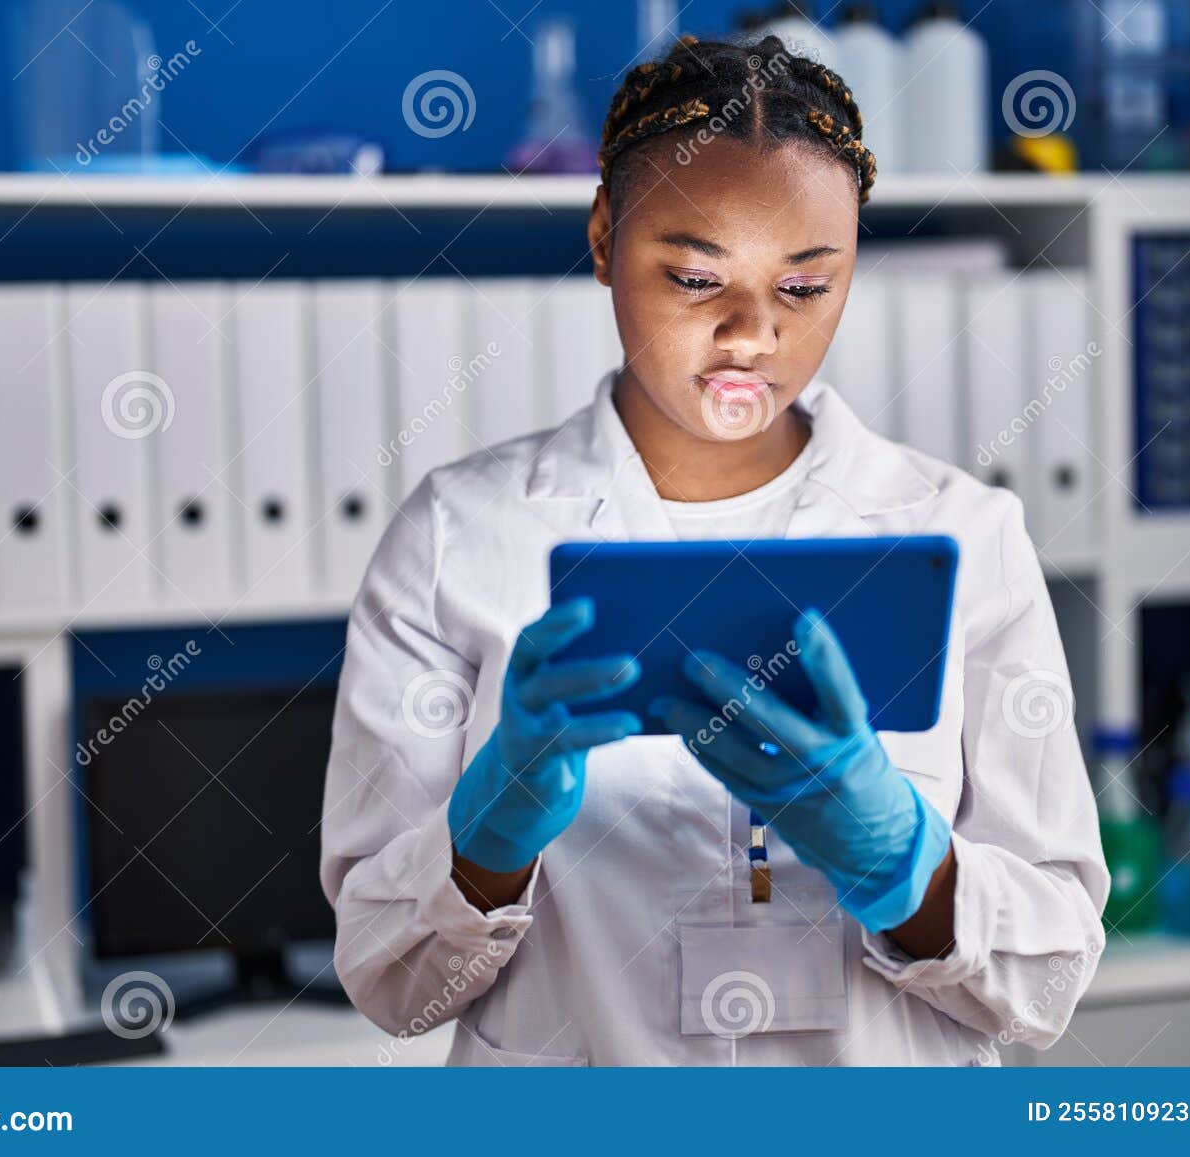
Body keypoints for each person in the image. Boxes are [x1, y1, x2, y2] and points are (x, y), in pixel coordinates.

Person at [321, 33, 1108, 1065]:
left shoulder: (960, 533)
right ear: (605, 238)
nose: (750, 332)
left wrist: (904, 861)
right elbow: (388, 979)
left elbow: (1049, 975)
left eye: (803, 287)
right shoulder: (460, 536)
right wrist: (486, 841)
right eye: (696, 278)